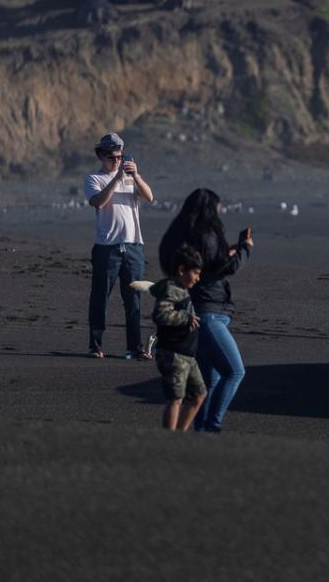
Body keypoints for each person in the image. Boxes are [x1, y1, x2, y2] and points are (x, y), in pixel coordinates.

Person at [159, 188, 253, 433]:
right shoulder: (206, 234)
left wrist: (227, 253)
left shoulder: (182, 235)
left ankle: (199, 431)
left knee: (210, 380)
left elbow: (208, 265)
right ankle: (212, 424)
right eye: (218, 208)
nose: (220, 213)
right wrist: (244, 249)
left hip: (197, 309)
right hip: (209, 311)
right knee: (234, 372)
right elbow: (222, 269)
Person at [84, 133, 154, 359]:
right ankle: (95, 346)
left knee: (133, 300)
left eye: (120, 157)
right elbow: (98, 202)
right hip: (107, 247)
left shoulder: (131, 177)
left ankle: (135, 348)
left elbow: (149, 197)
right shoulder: (94, 178)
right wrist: (116, 178)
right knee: (100, 297)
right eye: (112, 158)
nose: (116, 162)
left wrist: (137, 176)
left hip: (133, 245)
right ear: (101, 156)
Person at [151, 244, 206, 432]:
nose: (198, 278)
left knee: (199, 394)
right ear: (182, 270)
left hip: (187, 354)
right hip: (173, 353)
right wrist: (185, 318)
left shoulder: (181, 289)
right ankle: (170, 439)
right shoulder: (172, 289)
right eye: (196, 273)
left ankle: (179, 435)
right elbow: (160, 314)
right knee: (175, 399)